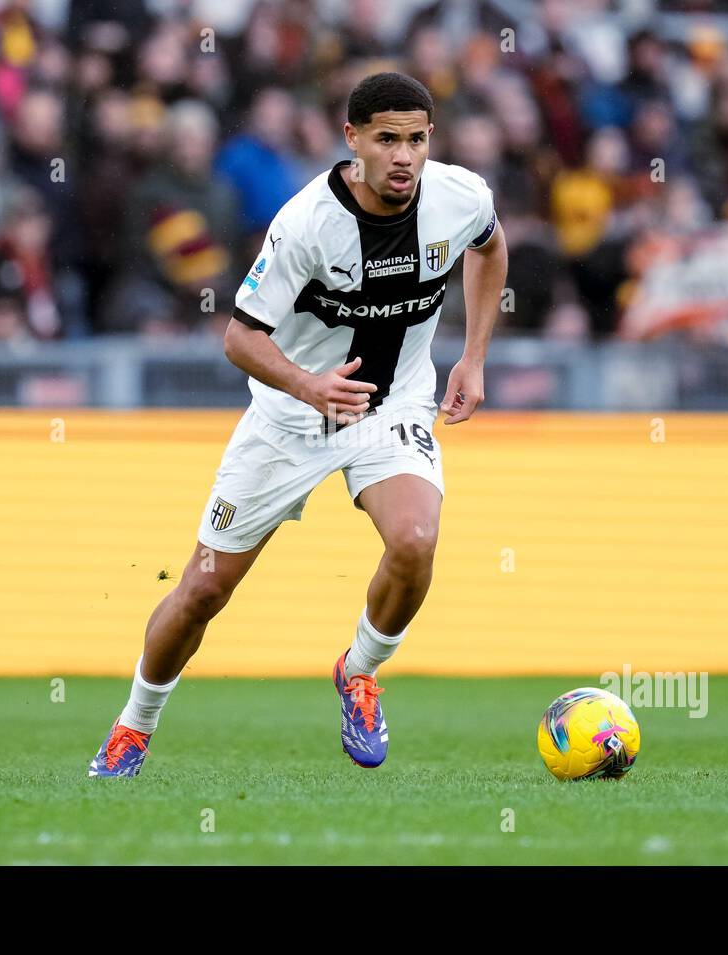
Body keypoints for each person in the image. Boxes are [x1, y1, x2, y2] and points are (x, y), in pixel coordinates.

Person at [89, 72, 508, 776]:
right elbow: (240, 339)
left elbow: (490, 250)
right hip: (290, 417)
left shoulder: (460, 196)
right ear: (352, 141)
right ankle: (134, 725)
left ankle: (360, 671)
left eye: (416, 139)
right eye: (386, 140)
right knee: (202, 591)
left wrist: (472, 357)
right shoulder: (308, 222)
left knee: (415, 538)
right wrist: (309, 385)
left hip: (393, 403)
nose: (403, 156)